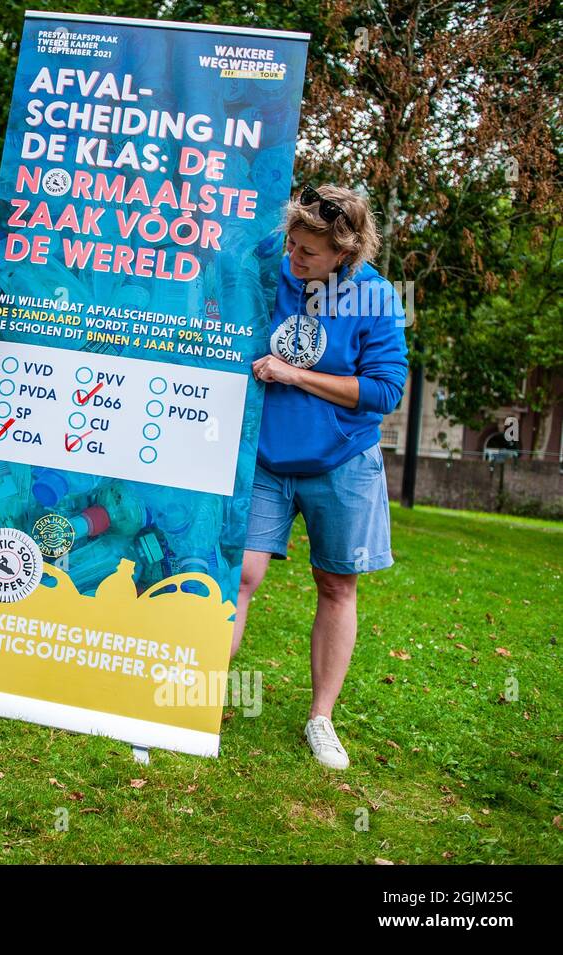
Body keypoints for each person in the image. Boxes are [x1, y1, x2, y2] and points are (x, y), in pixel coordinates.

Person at [233, 184, 409, 769]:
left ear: (344, 255)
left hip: (342, 462)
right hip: (264, 455)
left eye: (309, 252)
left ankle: (320, 719)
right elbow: (211, 255)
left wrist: (296, 375)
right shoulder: (270, 262)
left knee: (336, 585)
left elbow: (385, 390)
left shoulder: (375, 298)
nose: (295, 257)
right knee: (241, 572)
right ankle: (199, 698)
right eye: (292, 243)